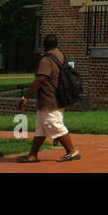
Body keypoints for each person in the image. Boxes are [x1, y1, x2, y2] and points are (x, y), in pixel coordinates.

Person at [17, 34, 80, 163]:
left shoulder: (46, 60)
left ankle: (72, 151)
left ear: (43, 45)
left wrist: (26, 97)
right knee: (41, 127)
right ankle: (32, 155)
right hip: (58, 96)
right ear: (56, 44)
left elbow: (40, 79)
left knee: (53, 124)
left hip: (50, 99)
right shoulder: (60, 55)